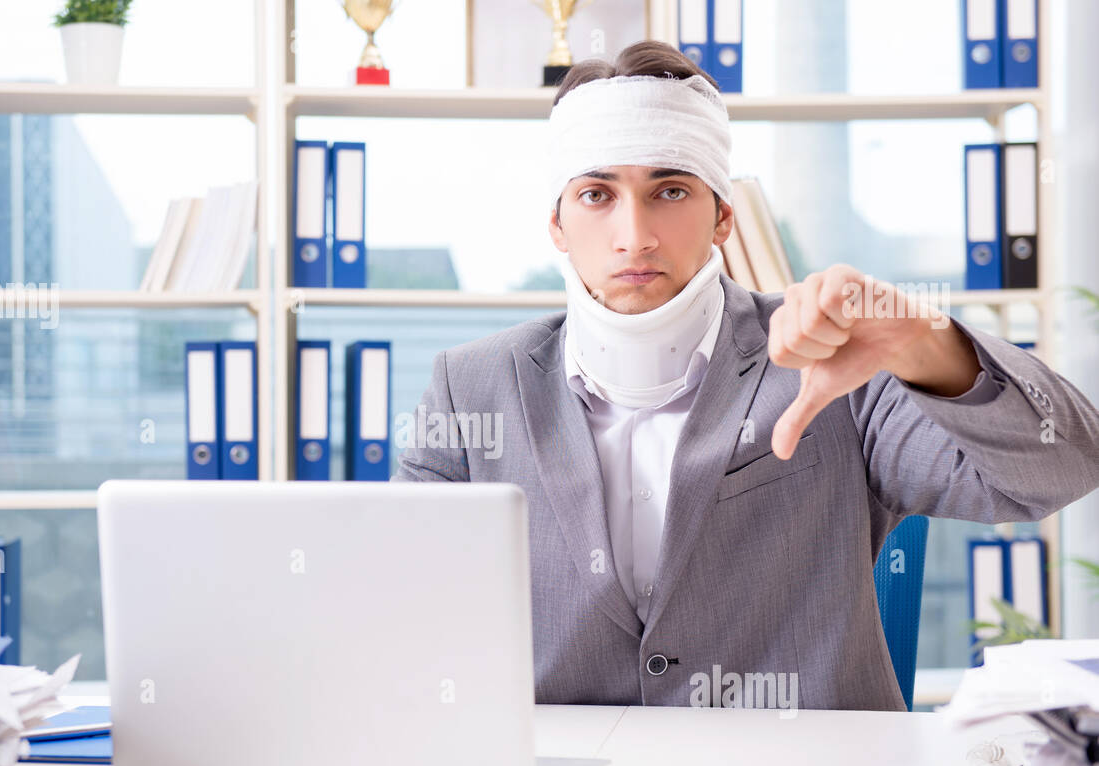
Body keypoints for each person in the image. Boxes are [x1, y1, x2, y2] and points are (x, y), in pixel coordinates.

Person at [391, 40, 1099, 711]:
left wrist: (928, 342)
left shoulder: (832, 363)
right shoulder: (471, 388)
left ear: (723, 215)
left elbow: (1057, 470)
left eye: (669, 191)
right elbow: (401, 622)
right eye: (597, 195)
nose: (633, 234)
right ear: (555, 223)